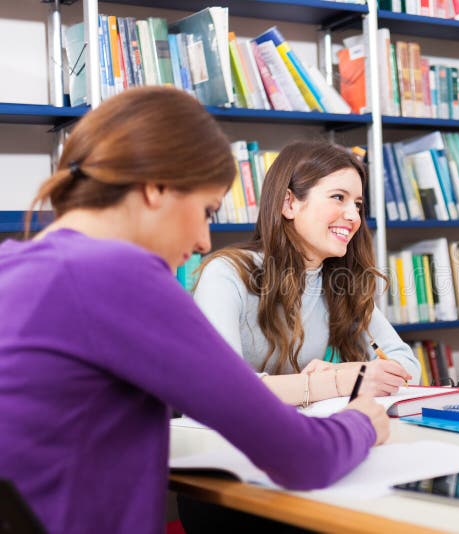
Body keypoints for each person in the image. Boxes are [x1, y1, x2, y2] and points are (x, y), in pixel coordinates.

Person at [0, 87, 390, 534]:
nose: (204, 242)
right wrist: (362, 421)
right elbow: (303, 457)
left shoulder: (11, 264)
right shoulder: (120, 276)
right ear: (156, 188)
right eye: (207, 210)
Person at [192, 140, 420, 406]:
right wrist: (338, 382)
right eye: (338, 197)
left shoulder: (338, 281)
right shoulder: (226, 274)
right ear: (288, 203)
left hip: (294, 425)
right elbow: (224, 387)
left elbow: (407, 367)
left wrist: (343, 371)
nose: (354, 216)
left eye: (358, 204)